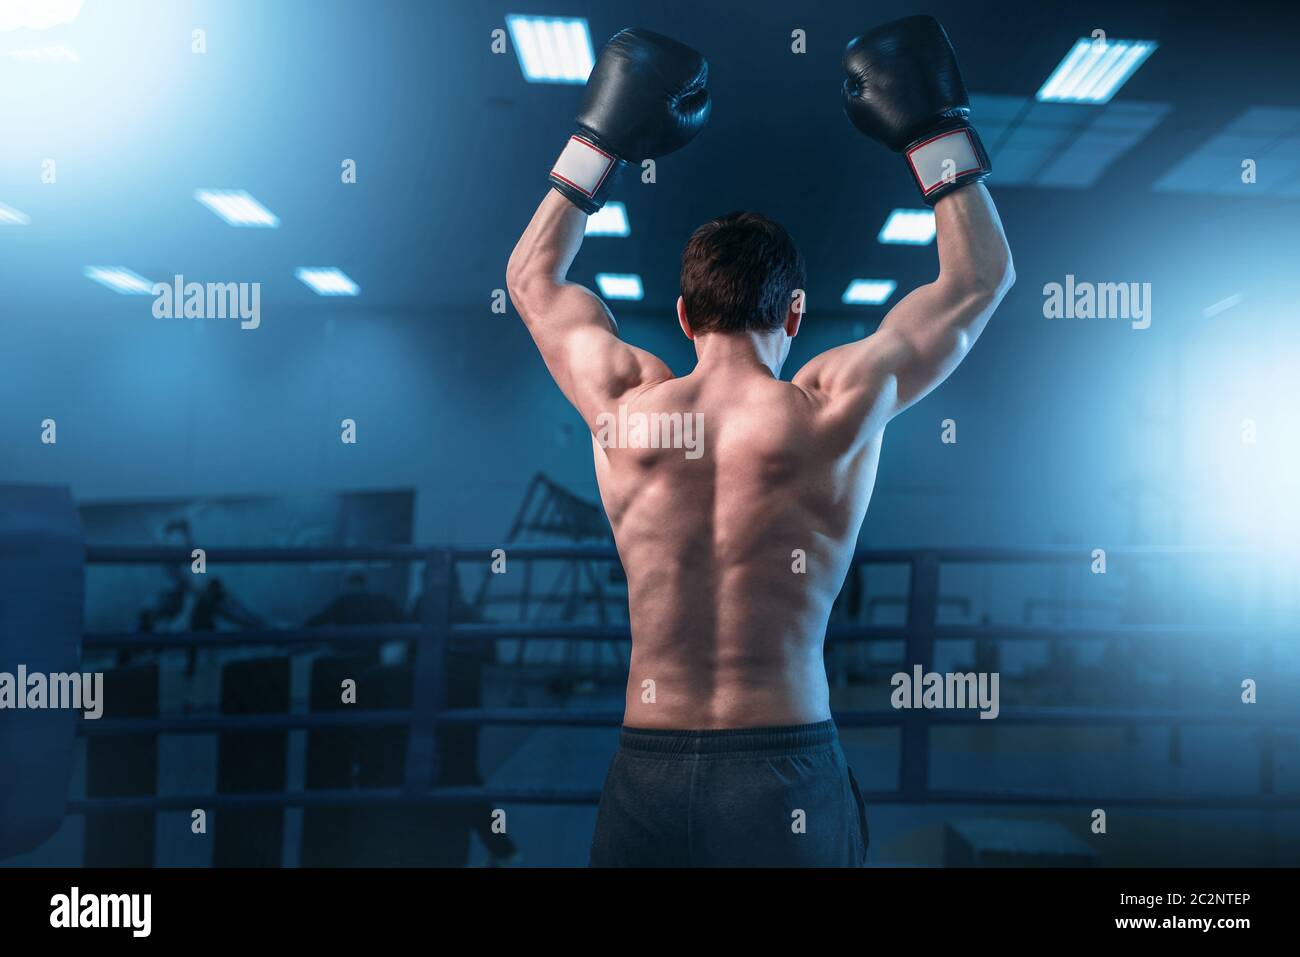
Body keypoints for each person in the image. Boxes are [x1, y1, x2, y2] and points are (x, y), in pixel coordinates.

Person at [506, 18, 1013, 866]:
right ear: (794, 314)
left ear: (681, 316)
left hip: (648, 773)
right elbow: (978, 279)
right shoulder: (830, 410)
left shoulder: (627, 407)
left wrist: (600, 139)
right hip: (783, 771)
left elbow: (530, 279)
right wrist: (934, 133)